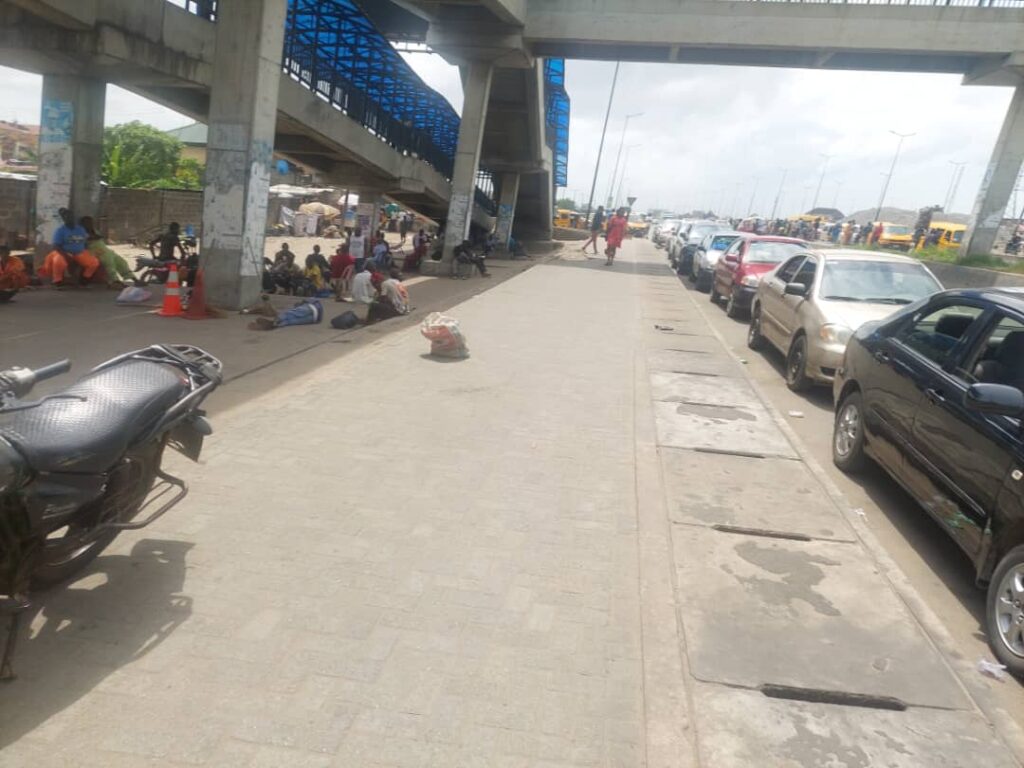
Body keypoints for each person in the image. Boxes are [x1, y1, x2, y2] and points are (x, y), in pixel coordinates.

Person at [38, 208, 100, 287]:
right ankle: (58, 281)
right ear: (64, 219)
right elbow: (56, 246)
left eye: (71, 217)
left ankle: (84, 279)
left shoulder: (80, 229)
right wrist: (66, 255)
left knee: (94, 262)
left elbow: (85, 241)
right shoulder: (60, 230)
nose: (70, 219)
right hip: (63, 252)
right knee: (59, 261)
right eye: (67, 217)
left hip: (79, 252)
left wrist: (87, 251)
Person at [80, 216, 136, 287]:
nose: (90, 224)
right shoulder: (81, 232)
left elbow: (99, 237)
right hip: (94, 251)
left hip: (105, 250)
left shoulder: (95, 231)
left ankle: (134, 278)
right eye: (88, 223)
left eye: (91, 223)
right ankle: (114, 281)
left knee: (121, 261)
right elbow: (89, 240)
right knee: (109, 262)